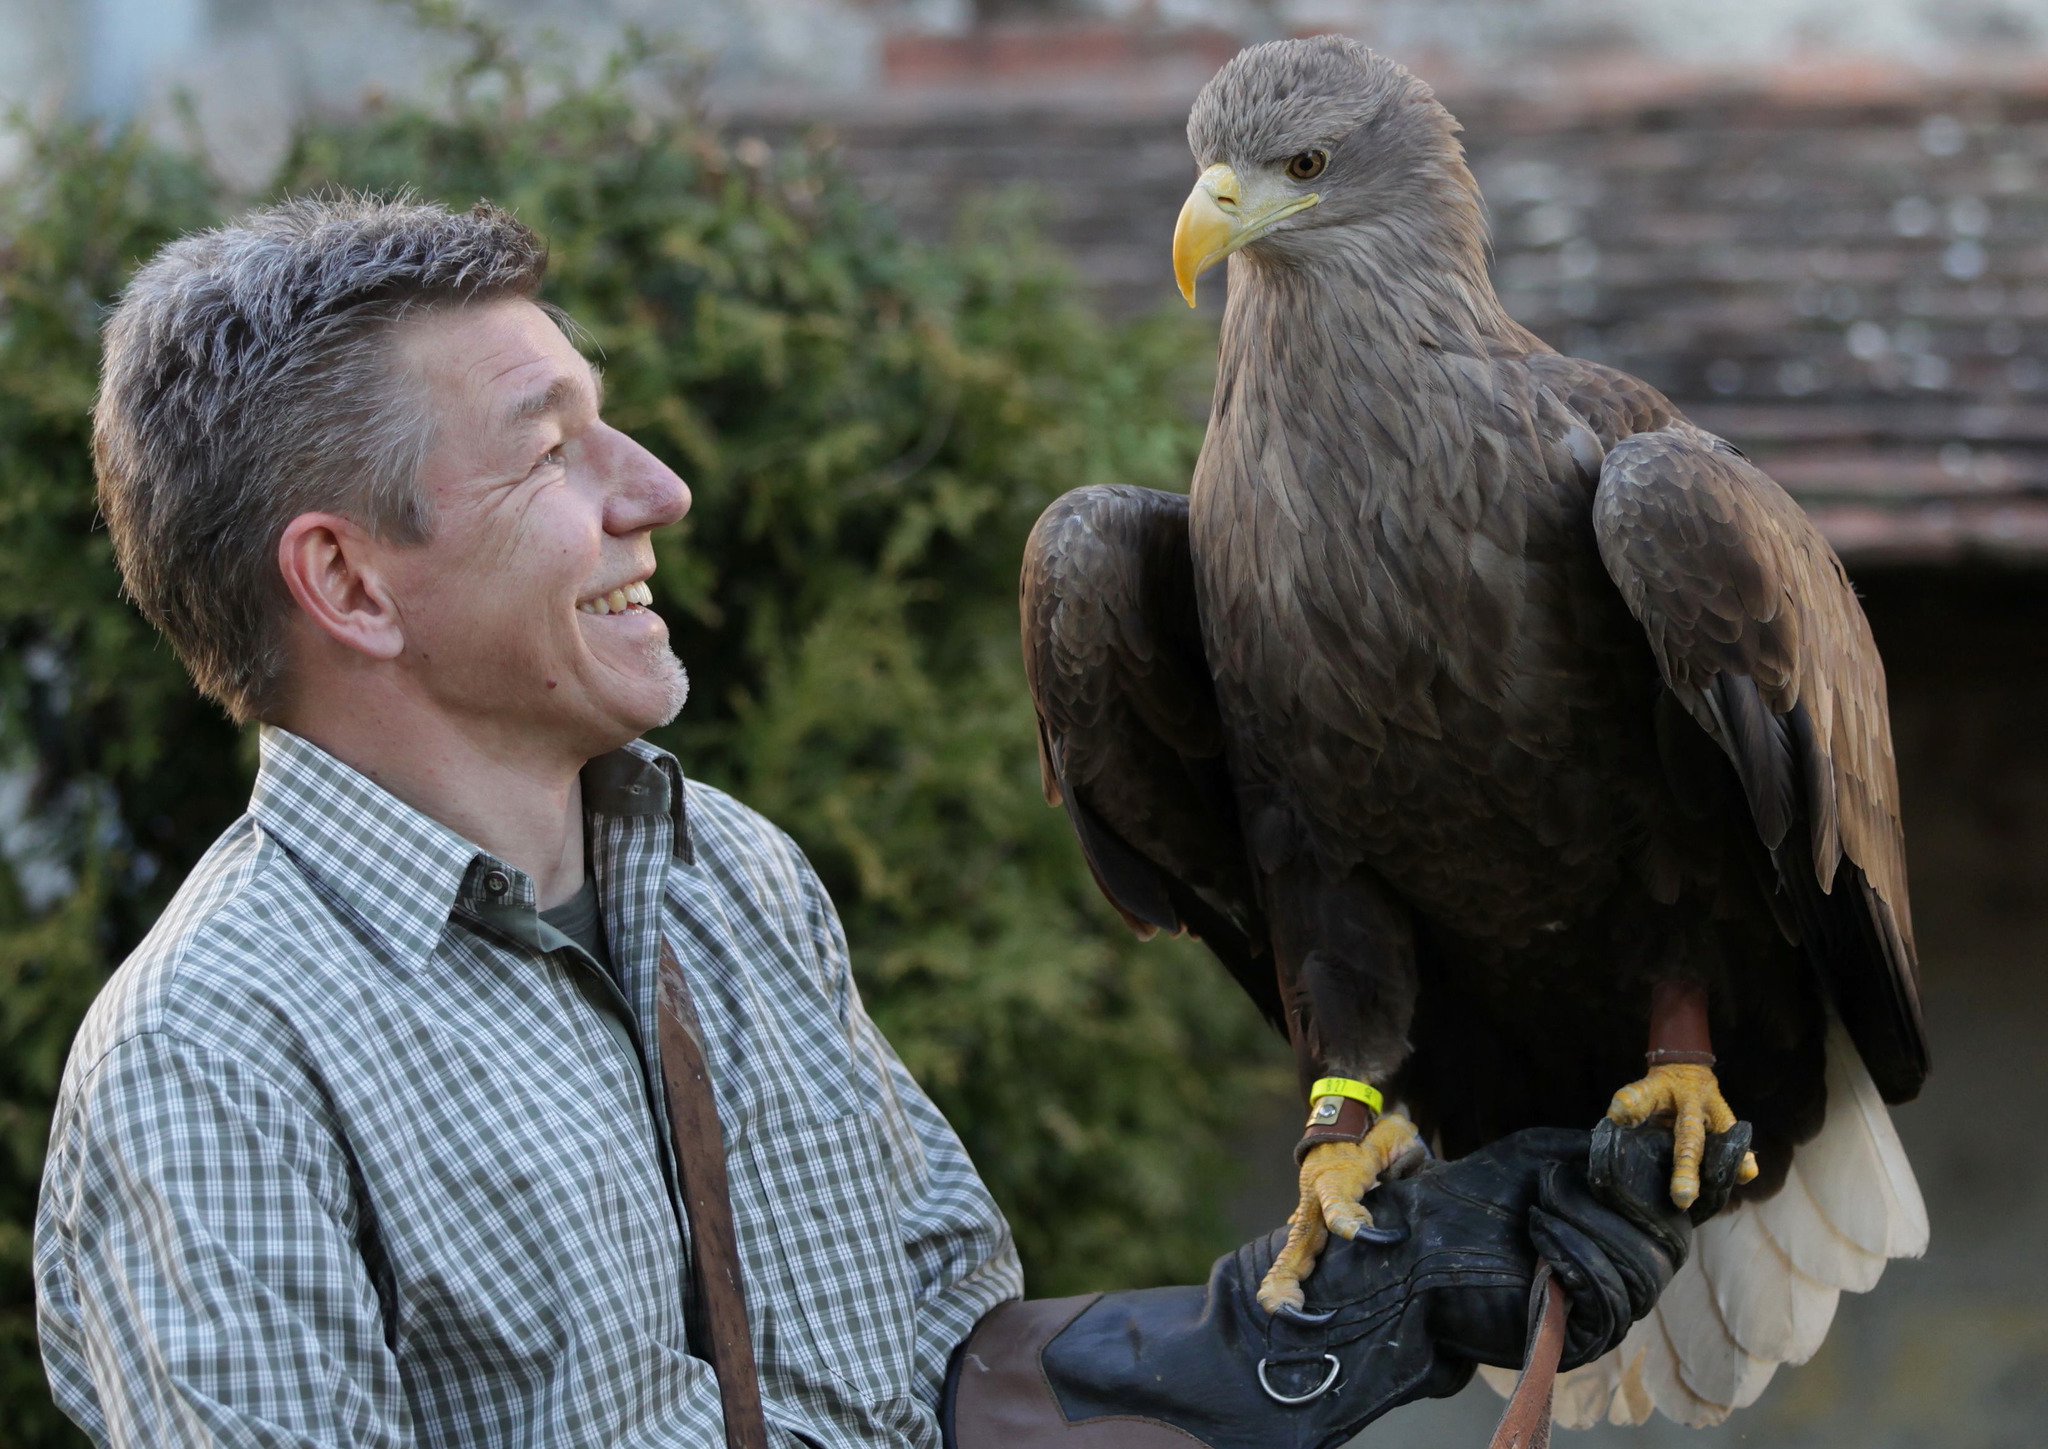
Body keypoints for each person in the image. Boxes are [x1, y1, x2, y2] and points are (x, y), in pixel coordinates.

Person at [33, 196, 1728, 1449]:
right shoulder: (217, 1061)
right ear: (344, 579)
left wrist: (1359, 1313)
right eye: (551, 453)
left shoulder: (731, 886)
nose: (656, 488)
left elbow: (950, 1381)